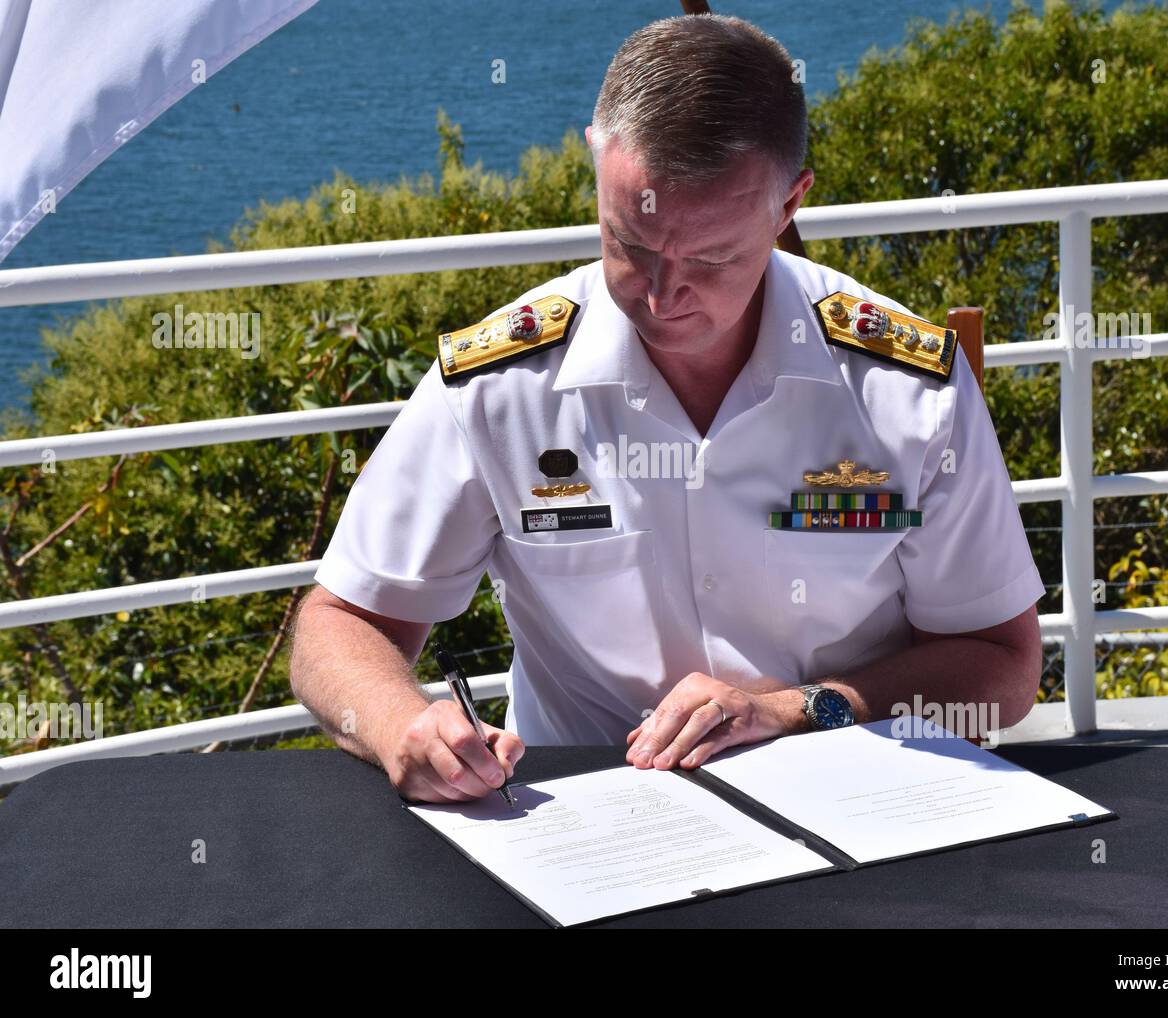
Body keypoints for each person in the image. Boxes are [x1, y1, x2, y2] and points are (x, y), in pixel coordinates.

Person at [289, 13, 1045, 805]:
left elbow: (1000, 662)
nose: (661, 296)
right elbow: (336, 625)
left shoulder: (906, 387)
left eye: (712, 258)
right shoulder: (499, 383)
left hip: (852, 796)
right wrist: (399, 723)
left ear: (790, 204)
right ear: (595, 158)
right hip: (578, 817)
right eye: (631, 244)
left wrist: (802, 710)